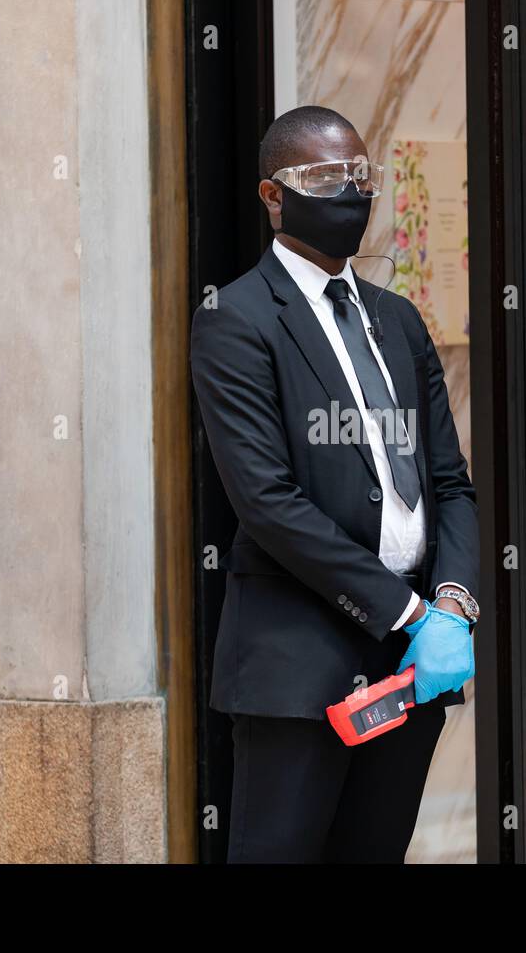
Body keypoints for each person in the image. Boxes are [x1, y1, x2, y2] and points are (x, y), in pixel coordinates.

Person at [190, 105, 479, 863]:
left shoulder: (399, 320)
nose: (349, 192)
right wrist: (412, 613)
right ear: (273, 196)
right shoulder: (236, 318)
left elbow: (449, 482)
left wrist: (451, 604)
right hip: (297, 664)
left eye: (360, 176)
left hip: (408, 674)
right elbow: (267, 502)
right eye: (324, 177)